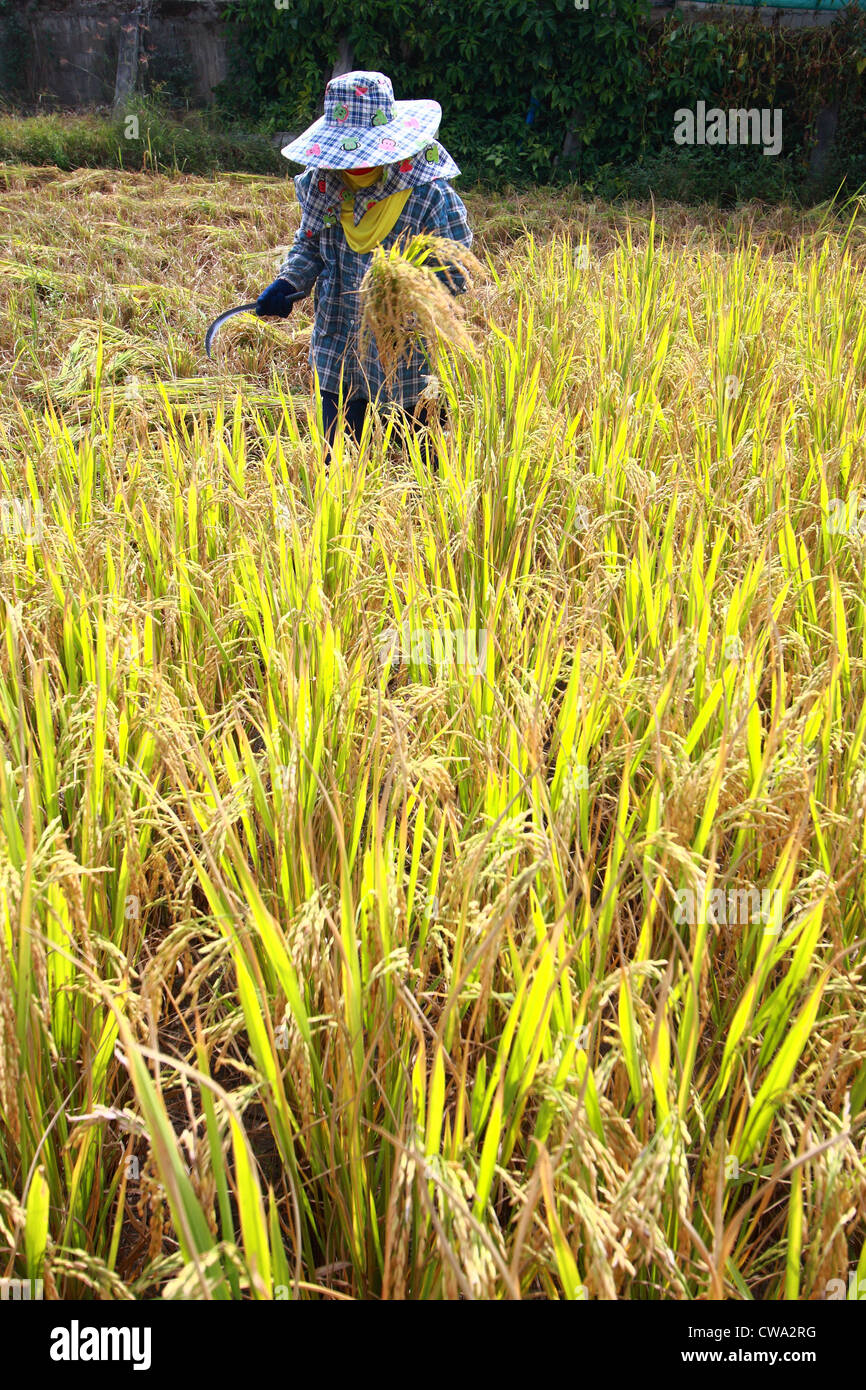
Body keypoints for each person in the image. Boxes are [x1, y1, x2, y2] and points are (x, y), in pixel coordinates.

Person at [255, 70, 473, 458]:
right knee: (335, 459)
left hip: (404, 351)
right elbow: (309, 247)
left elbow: (456, 271)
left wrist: (408, 285)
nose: (354, 164)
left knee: (421, 464)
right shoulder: (324, 186)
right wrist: (289, 284)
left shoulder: (427, 194)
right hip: (339, 339)